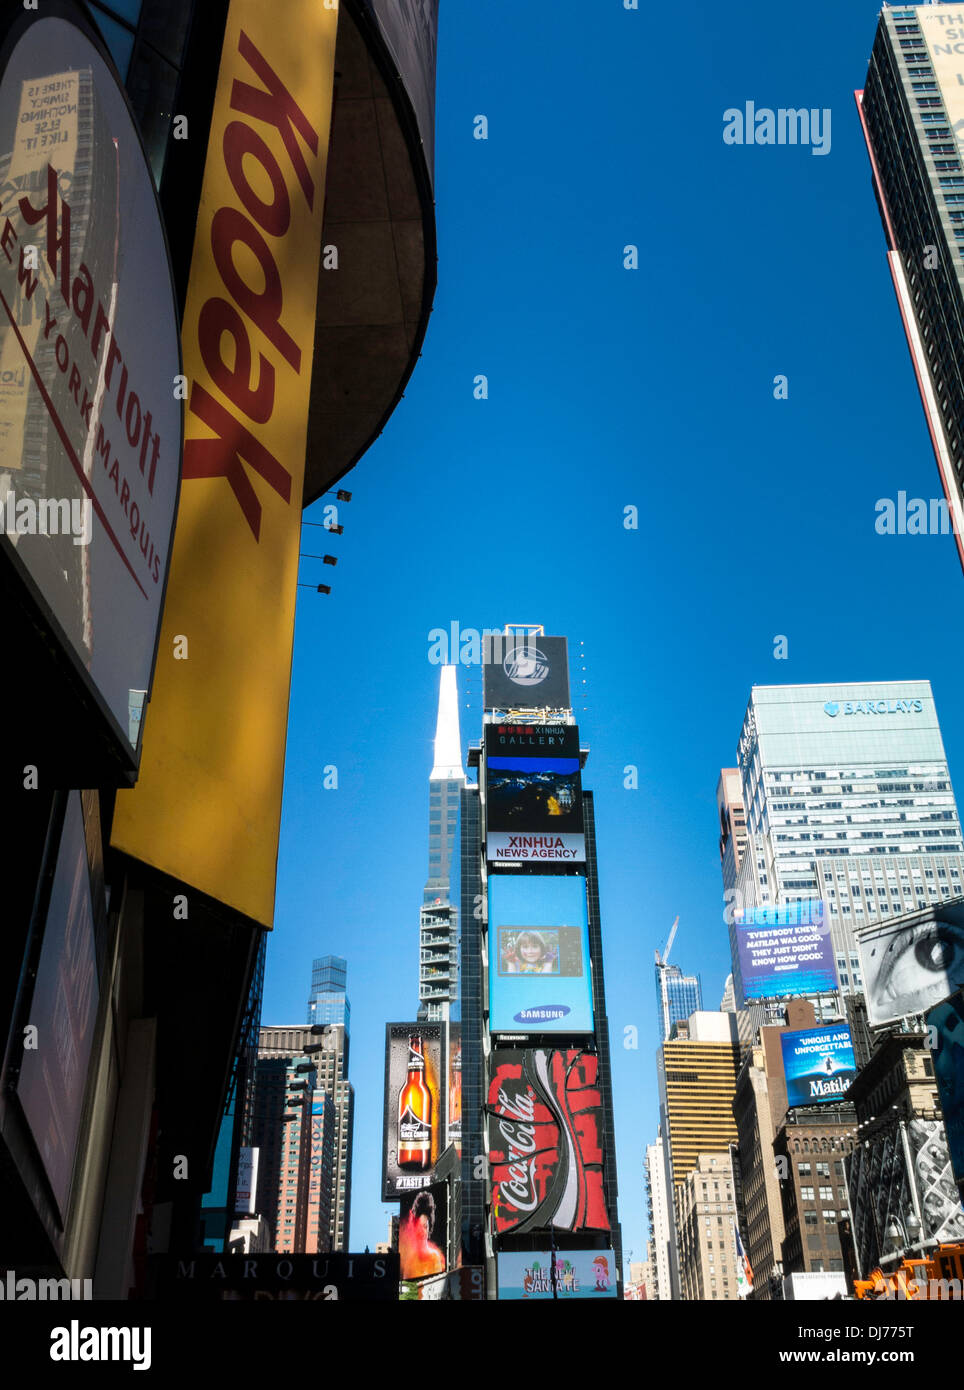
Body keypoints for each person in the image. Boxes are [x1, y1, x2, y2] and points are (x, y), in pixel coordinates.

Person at [399, 1190, 445, 1280]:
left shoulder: (435, 1257)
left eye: (425, 1226)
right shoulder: (410, 1262)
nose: (422, 1231)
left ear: (429, 1228)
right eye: (420, 1226)